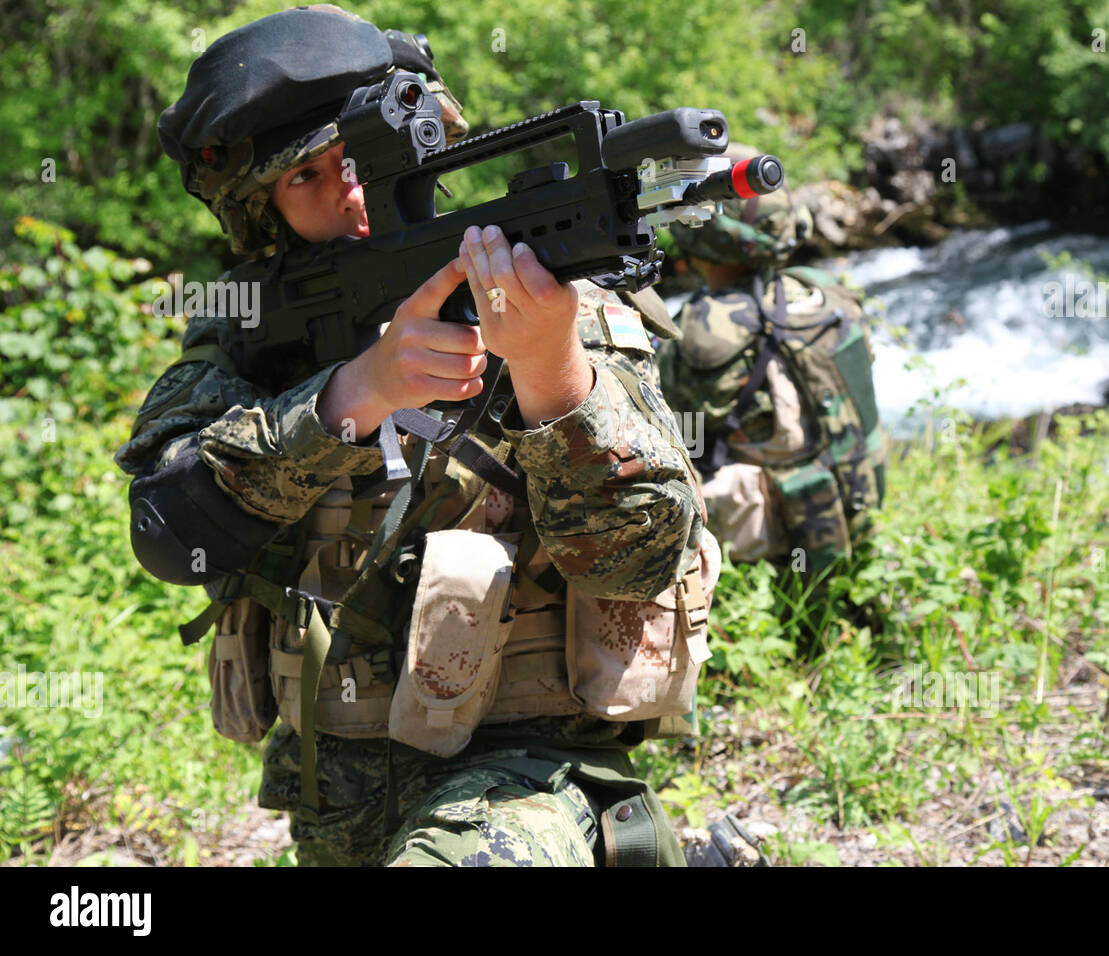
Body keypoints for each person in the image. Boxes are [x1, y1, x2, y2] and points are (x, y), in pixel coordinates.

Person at [115, 4, 715, 867]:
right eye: (305, 178)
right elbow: (168, 534)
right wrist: (351, 396)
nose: (347, 192)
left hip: (529, 776)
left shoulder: (550, 294)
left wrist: (551, 371)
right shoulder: (251, 326)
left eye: (358, 162)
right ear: (258, 210)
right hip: (334, 792)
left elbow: (640, 563)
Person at [657, 149, 886, 572]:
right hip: (859, 501)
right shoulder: (828, 292)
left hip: (773, 544)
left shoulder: (697, 328)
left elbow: (676, 446)